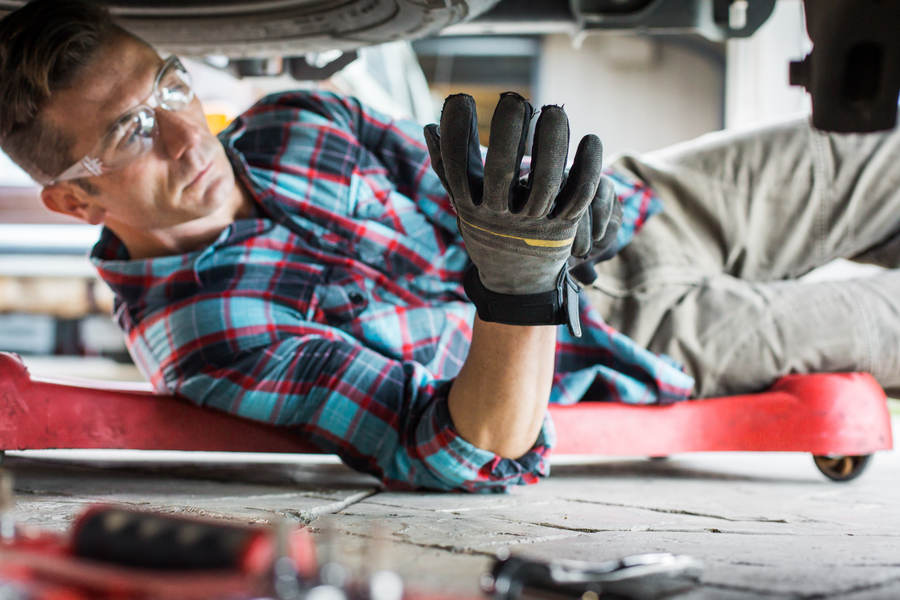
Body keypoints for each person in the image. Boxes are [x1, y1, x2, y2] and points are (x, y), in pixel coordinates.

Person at [1, 1, 898, 493]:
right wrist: (516, 294)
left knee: (879, 145)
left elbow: (472, 189)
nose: (186, 139)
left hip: (649, 212)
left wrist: (575, 213)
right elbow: (460, 449)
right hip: (635, 336)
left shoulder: (293, 120)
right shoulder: (206, 333)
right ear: (73, 197)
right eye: (126, 135)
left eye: (169, 88)